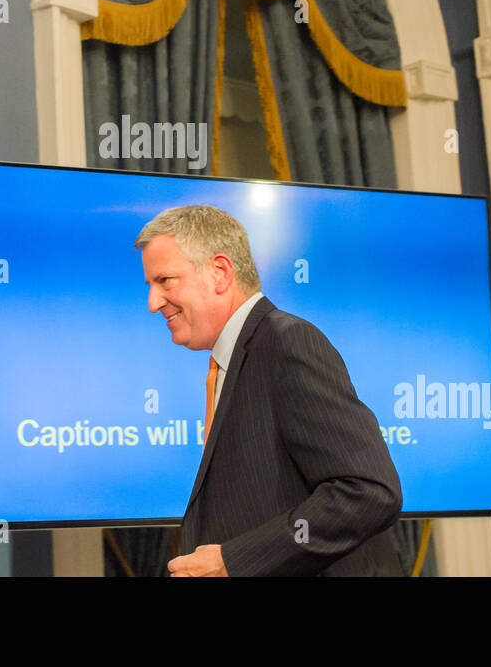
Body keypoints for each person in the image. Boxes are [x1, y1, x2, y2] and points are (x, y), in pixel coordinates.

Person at [135, 204, 402, 577]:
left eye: (165, 281)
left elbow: (368, 491)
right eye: (150, 285)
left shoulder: (287, 343)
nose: (153, 303)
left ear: (220, 272)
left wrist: (235, 560)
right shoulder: (233, 360)